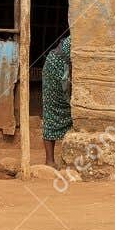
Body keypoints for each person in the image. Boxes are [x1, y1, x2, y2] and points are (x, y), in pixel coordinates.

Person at [41, 34, 73, 167]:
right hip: (56, 66)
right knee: (51, 108)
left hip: (68, 66)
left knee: (72, 110)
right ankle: (50, 161)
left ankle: (68, 159)